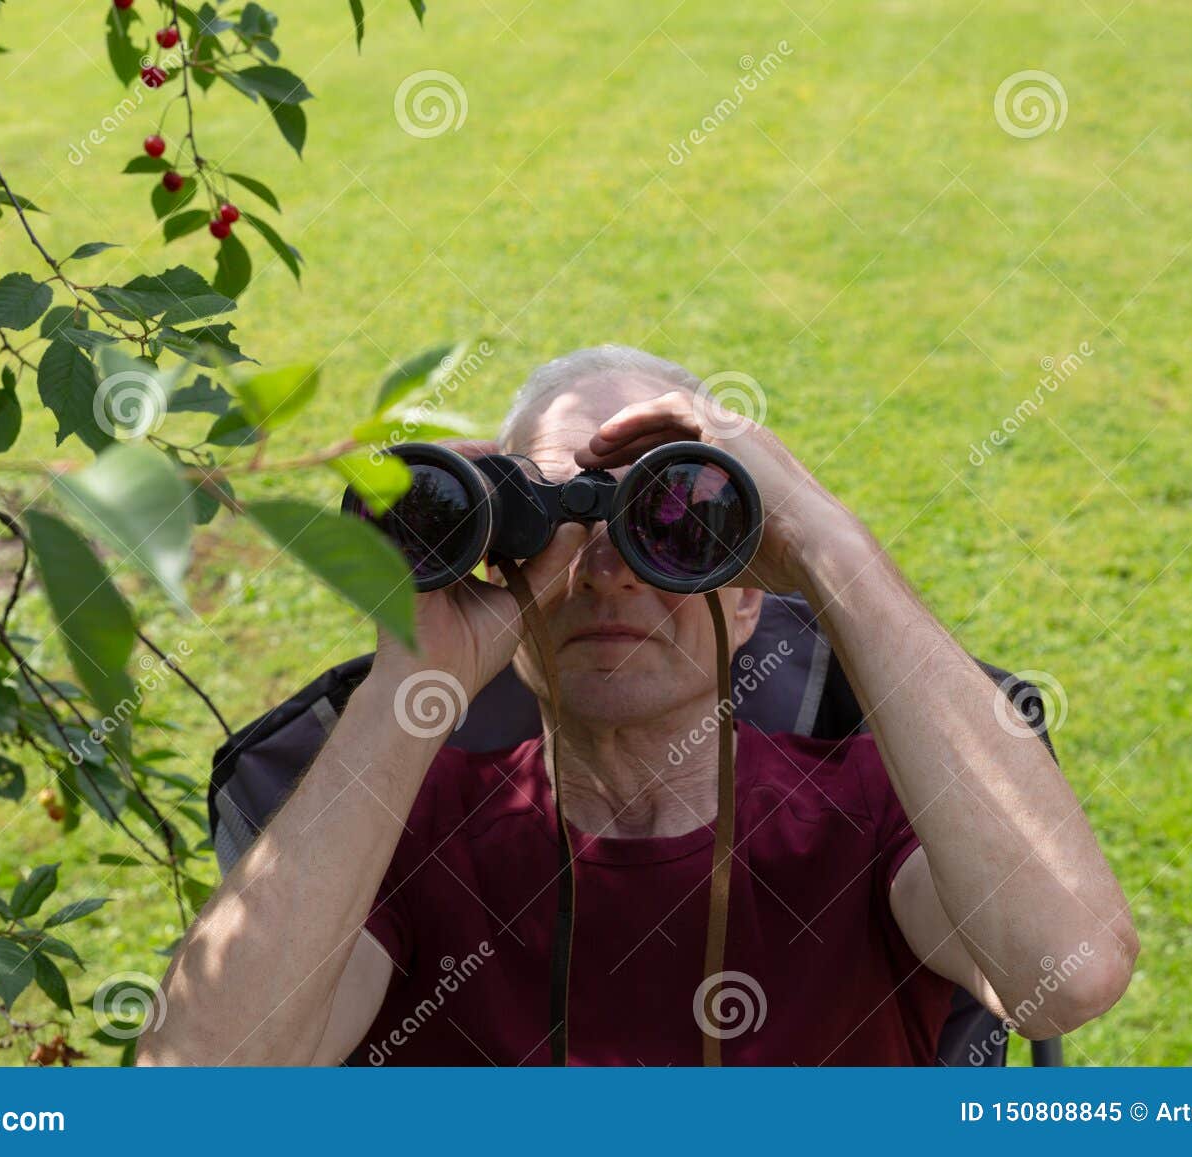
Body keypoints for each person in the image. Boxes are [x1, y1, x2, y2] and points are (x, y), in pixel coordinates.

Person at [139, 346, 1138, 1066]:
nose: (608, 574)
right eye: (556, 519)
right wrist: (419, 666)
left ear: (751, 591)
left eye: (676, 516)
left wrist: (830, 546)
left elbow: (1071, 966)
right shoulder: (401, 834)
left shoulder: (876, 811)